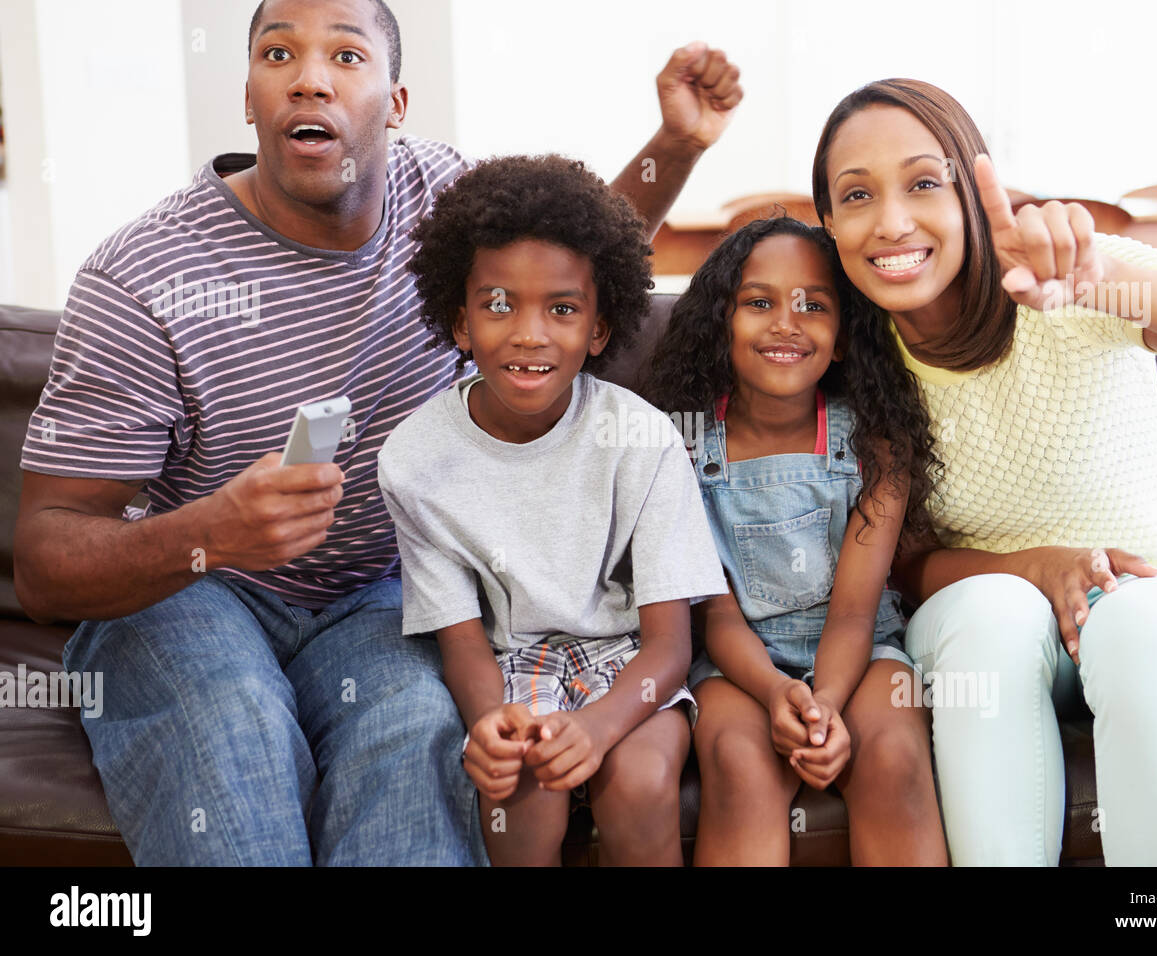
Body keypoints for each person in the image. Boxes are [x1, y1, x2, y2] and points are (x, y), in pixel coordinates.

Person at [12, 0, 743, 866]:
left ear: (395, 103)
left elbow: (562, 268)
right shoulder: (143, 276)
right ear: (250, 96)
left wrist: (680, 143)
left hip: (382, 598)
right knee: (232, 720)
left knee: (414, 739)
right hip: (186, 595)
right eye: (278, 54)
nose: (310, 76)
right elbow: (45, 563)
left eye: (346, 56)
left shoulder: (440, 198)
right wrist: (212, 535)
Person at [812, 77, 1157, 865]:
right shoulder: (844, 350)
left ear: (977, 189)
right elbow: (895, 566)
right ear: (830, 223)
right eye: (858, 195)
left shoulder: (1079, 276)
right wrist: (1033, 568)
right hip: (987, 623)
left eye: (924, 183)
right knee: (993, 614)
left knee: (1134, 616)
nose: (893, 220)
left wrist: (1099, 281)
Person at [379, 154, 727, 866]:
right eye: (499, 304)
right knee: (519, 789)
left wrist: (598, 727)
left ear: (599, 331)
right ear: (460, 323)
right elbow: (465, 642)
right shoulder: (415, 460)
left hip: (632, 665)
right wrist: (492, 726)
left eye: (562, 309)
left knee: (640, 780)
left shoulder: (642, 438)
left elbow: (670, 646)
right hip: (513, 667)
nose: (531, 333)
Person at [642, 216, 948, 865]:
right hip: (736, 660)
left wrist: (824, 707)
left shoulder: (876, 444)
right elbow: (716, 613)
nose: (787, 322)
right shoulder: (683, 446)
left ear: (842, 338)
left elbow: (856, 610)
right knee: (737, 758)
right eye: (759, 303)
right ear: (720, 324)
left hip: (858, 651)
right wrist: (779, 693)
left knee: (892, 752)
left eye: (814, 305)